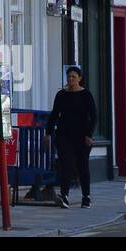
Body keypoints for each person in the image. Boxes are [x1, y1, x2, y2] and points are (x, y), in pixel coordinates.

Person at [45, 66, 98, 209]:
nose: (70, 79)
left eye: (74, 77)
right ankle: (65, 196)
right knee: (65, 165)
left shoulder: (86, 95)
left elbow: (93, 116)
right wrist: (48, 133)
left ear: (80, 78)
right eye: (69, 77)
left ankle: (86, 197)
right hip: (64, 135)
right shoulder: (61, 95)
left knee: (82, 166)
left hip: (82, 136)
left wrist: (89, 135)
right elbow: (54, 115)